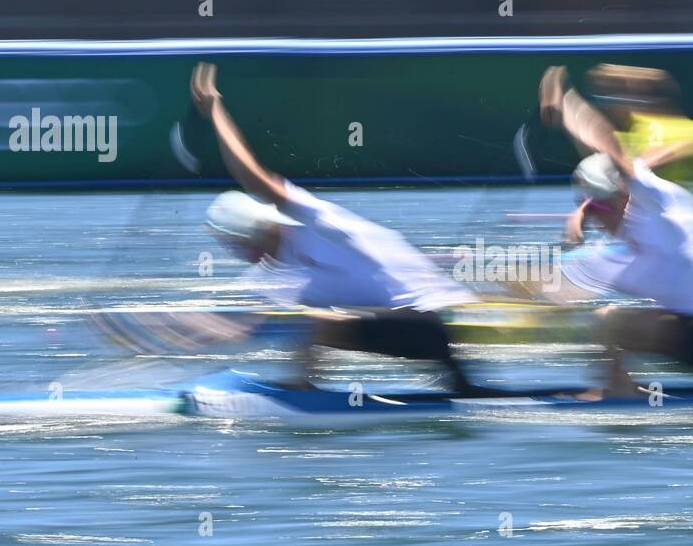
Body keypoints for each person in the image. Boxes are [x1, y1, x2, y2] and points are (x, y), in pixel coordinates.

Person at [189, 62, 479, 393]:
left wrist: (215, 111)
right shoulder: (279, 271)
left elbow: (252, 178)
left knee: (308, 322)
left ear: (259, 231)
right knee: (304, 318)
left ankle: (303, 395)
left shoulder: (314, 219)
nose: (242, 255)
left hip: (427, 325)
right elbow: (248, 322)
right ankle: (306, 390)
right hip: (410, 333)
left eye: (239, 244)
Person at [528, 66, 693, 397]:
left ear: (623, 196)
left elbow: (607, 148)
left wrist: (566, 102)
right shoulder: (622, 245)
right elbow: (560, 289)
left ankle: (616, 394)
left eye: (600, 209)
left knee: (608, 321)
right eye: (591, 212)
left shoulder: (655, 199)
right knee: (605, 318)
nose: (598, 220)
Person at [559, 64, 693, 244]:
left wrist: (566, 101)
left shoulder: (690, 135)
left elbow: (628, 171)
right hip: (673, 239)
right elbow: (612, 181)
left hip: (674, 241)